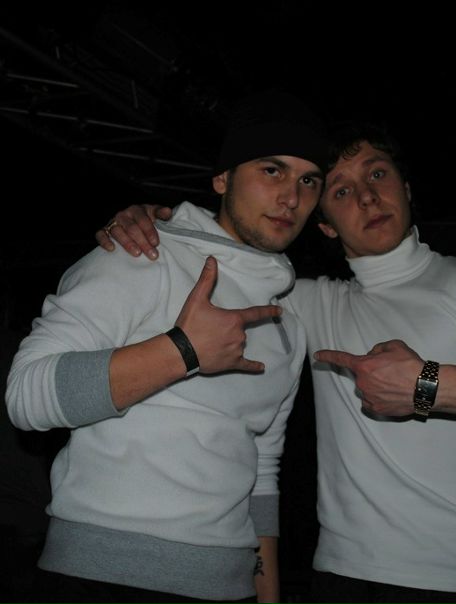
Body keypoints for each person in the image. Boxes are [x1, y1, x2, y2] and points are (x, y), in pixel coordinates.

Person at [96, 122, 456, 602]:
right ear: (325, 226)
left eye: (377, 174)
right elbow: (221, 265)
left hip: (452, 577)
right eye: (341, 191)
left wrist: (427, 385)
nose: (368, 197)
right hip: (337, 576)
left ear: (407, 189)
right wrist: (151, 222)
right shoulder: (305, 302)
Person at [5, 89, 329, 603]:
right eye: (272, 170)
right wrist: (182, 351)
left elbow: (262, 466)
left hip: (229, 585)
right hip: (98, 577)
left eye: (308, 180)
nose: (291, 196)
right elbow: (25, 396)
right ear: (223, 179)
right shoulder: (141, 251)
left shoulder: (287, 322)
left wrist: (266, 594)